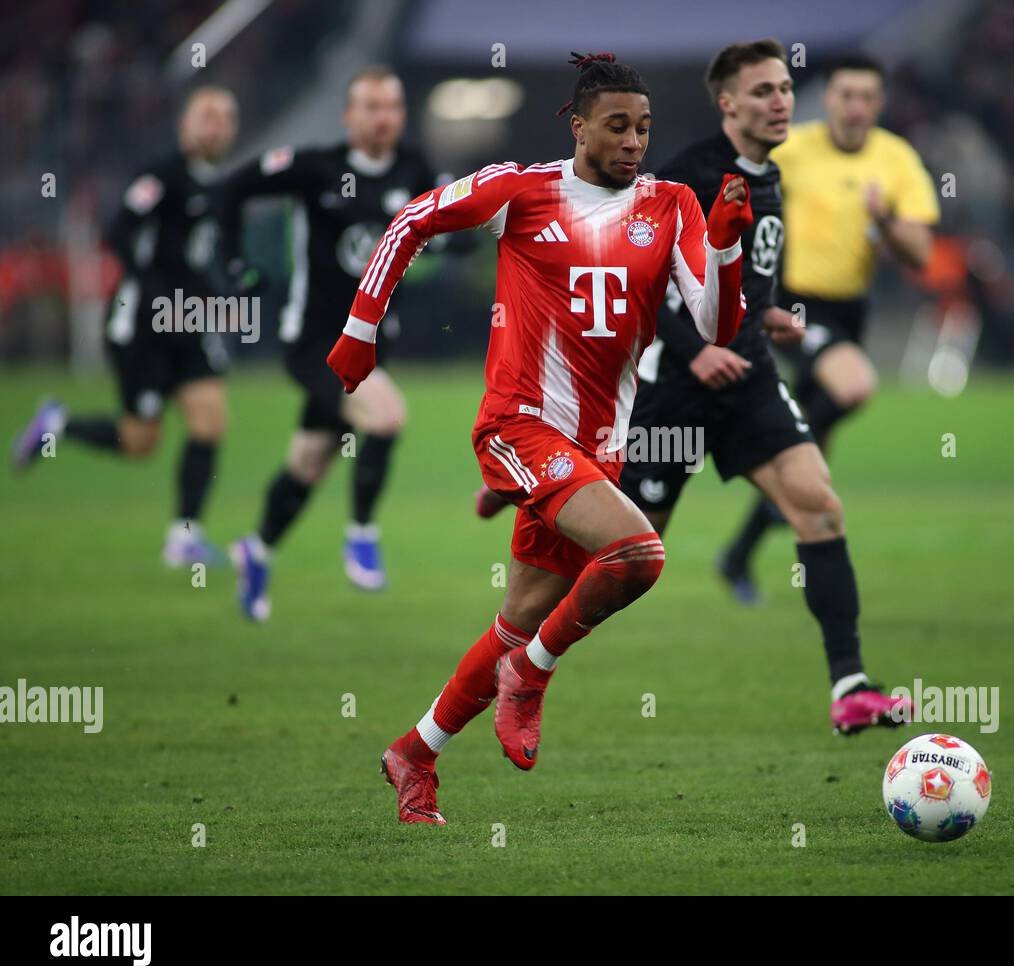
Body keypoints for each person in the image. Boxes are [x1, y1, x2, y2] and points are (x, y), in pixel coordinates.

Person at [324, 53, 750, 824]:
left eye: (644, 128)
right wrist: (361, 330)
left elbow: (719, 326)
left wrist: (723, 247)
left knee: (515, 620)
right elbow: (412, 219)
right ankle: (534, 675)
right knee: (637, 555)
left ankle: (413, 755)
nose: (632, 142)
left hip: (596, 451)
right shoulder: (520, 190)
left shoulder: (675, 205)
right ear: (578, 124)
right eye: (616, 126)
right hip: (519, 424)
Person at [617, 39, 914, 737]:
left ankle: (850, 687)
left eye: (784, 88)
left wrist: (763, 313)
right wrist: (695, 353)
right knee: (627, 559)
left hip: (748, 378)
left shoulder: (770, 176)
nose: (780, 101)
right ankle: (519, 654)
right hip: (676, 392)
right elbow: (644, 283)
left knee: (819, 507)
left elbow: (739, 278)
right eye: (762, 92)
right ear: (727, 104)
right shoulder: (686, 177)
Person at [218, 67, 436, 621]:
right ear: (349, 115)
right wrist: (234, 262)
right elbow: (233, 187)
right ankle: (361, 536)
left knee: (309, 463)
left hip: (372, 344)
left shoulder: (415, 168)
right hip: (315, 341)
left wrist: (452, 248)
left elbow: (449, 223)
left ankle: (257, 549)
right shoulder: (316, 169)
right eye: (370, 105)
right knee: (386, 417)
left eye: (391, 105)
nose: (382, 116)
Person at [718, 53, 938, 595]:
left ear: (879, 104)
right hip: (791, 304)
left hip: (848, 312)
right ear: (829, 98)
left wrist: (884, 218)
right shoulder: (792, 148)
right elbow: (737, 192)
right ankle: (762, 451)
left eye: (867, 97)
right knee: (856, 385)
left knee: (811, 468)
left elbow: (921, 254)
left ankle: (738, 555)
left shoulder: (897, 160)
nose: (856, 106)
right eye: (846, 95)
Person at [12, 87, 238, 567]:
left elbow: (195, 255)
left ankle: (184, 537)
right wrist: (156, 291)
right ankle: (59, 424)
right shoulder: (161, 175)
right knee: (141, 443)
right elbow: (119, 232)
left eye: (224, 119)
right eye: (206, 117)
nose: (215, 126)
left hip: (189, 323)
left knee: (211, 419)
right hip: (143, 327)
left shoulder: (218, 186)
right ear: (185, 126)